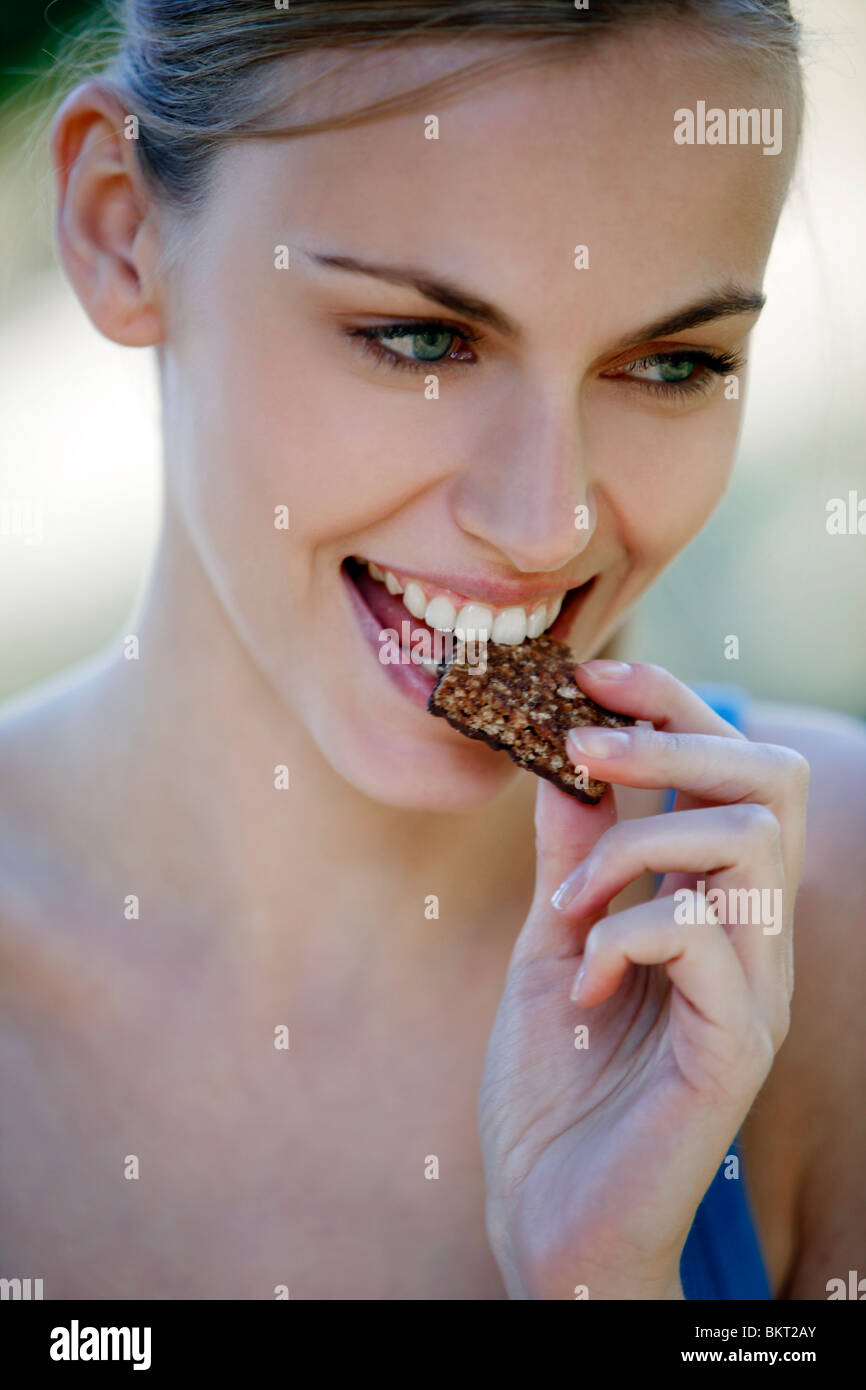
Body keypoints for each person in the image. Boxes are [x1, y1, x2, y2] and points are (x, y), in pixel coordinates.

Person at [0, 0, 863, 1300]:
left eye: (672, 364)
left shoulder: (823, 922)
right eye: (420, 341)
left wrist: (605, 1282)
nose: (547, 523)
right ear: (122, 226)